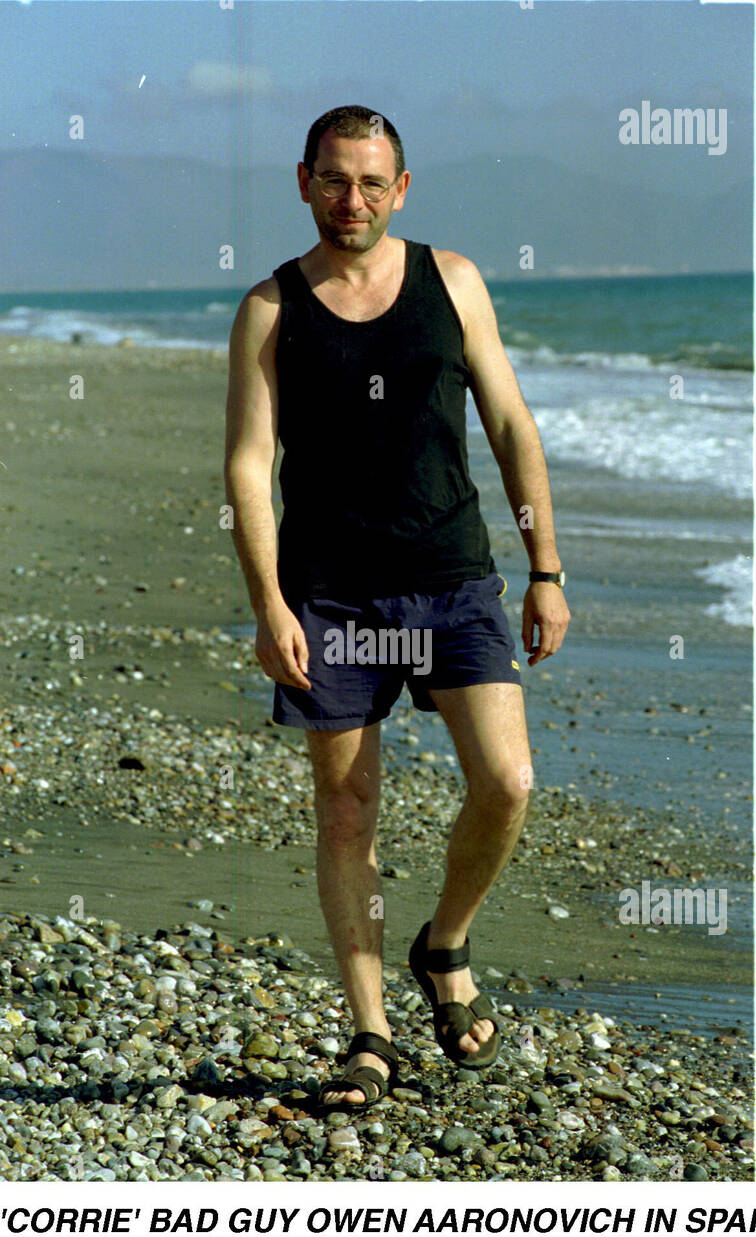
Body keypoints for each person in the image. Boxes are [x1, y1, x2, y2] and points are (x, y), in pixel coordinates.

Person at [224, 105, 570, 1113]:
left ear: (402, 189)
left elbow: (511, 423)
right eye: (335, 181)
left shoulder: (452, 282)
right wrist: (267, 603)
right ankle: (370, 1031)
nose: (353, 202)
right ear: (303, 181)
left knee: (506, 779)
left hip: (453, 572)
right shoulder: (271, 306)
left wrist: (545, 565)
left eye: (373, 184)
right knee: (346, 810)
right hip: (330, 592)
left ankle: (445, 941)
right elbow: (249, 467)